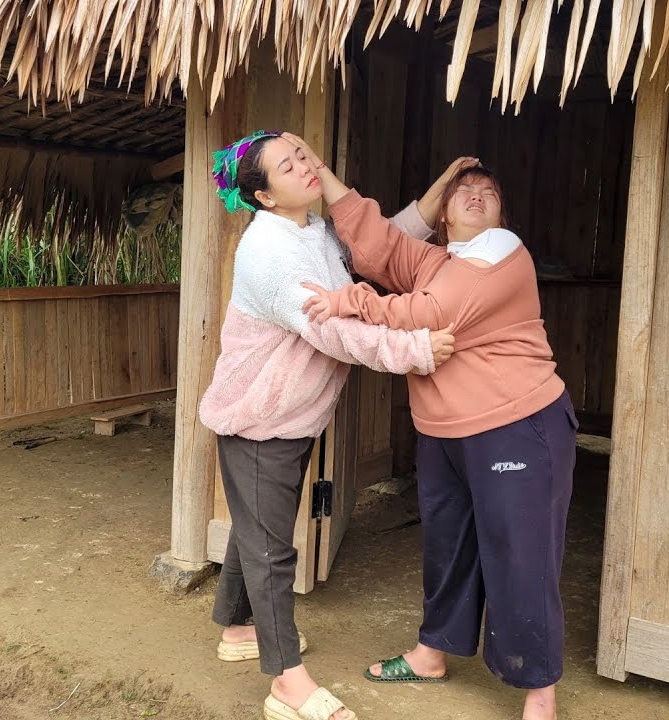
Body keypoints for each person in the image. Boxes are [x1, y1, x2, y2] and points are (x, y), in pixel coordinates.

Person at [284, 133, 578, 720]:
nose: (476, 195)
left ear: (501, 215)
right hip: (444, 431)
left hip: (518, 422)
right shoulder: (437, 259)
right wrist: (320, 170)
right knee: (448, 544)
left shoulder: (501, 252)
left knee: (522, 555)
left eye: (488, 193)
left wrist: (352, 301)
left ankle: (538, 690)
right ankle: (432, 653)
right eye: (464, 190)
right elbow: (376, 242)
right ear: (441, 214)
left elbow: (433, 312)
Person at [198, 130, 461, 720]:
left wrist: (434, 196)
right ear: (264, 197)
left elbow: (376, 245)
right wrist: (416, 348)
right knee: (271, 548)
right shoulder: (267, 253)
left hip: (288, 414)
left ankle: (237, 630)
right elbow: (336, 330)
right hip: (257, 418)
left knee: (255, 526)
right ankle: (287, 682)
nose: (303, 167)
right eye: (286, 167)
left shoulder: (312, 230)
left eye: (300, 155)